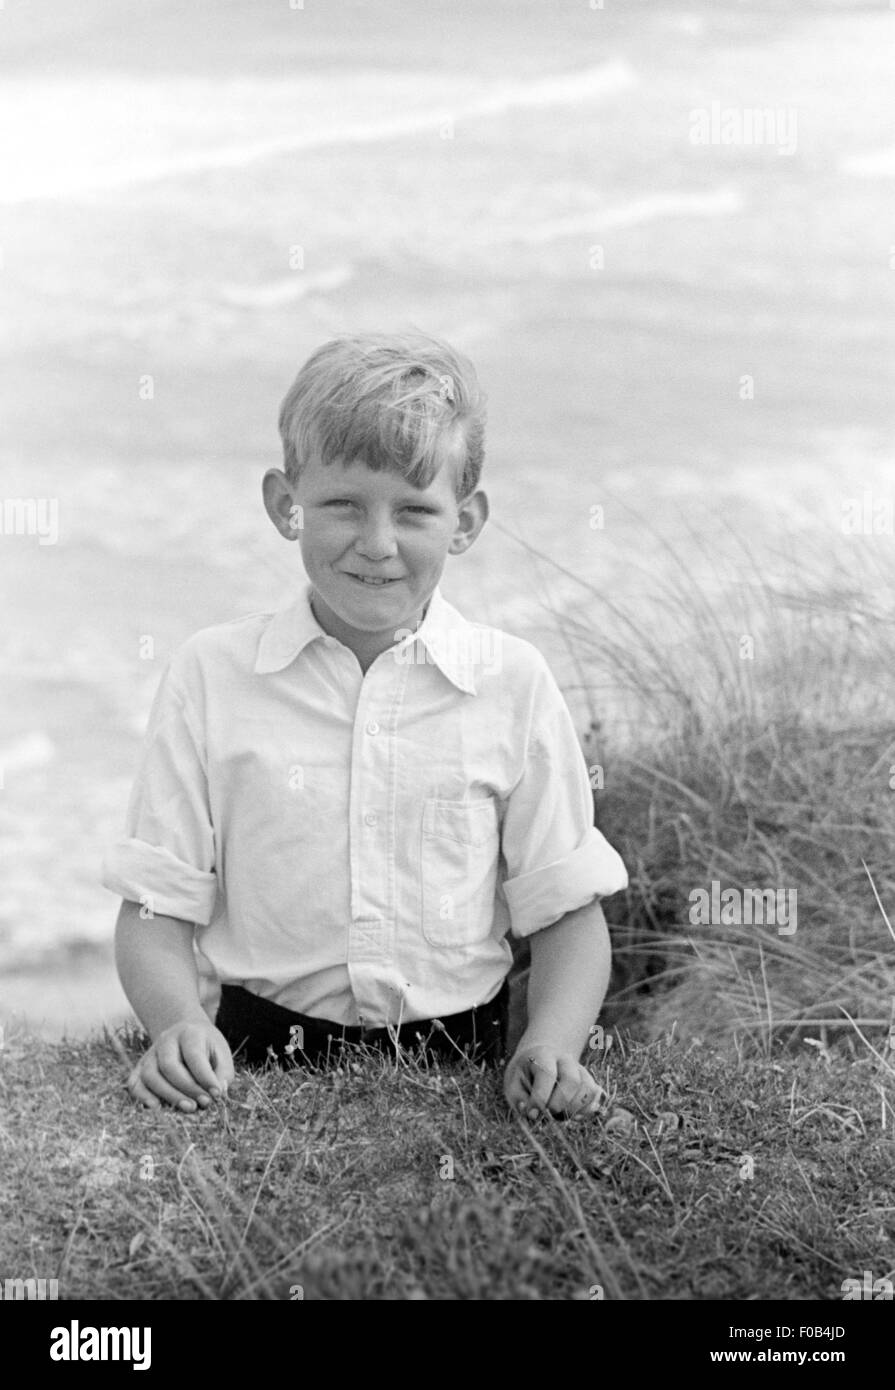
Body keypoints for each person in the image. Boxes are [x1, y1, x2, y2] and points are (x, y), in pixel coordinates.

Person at [102, 330, 627, 1122]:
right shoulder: (209, 676)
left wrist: (549, 1043)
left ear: (465, 521)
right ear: (286, 504)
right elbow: (155, 907)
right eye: (342, 504)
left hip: (462, 1066)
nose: (376, 545)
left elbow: (566, 911)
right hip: (253, 1061)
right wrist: (176, 1023)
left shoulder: (510, 682)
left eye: (414, 510)